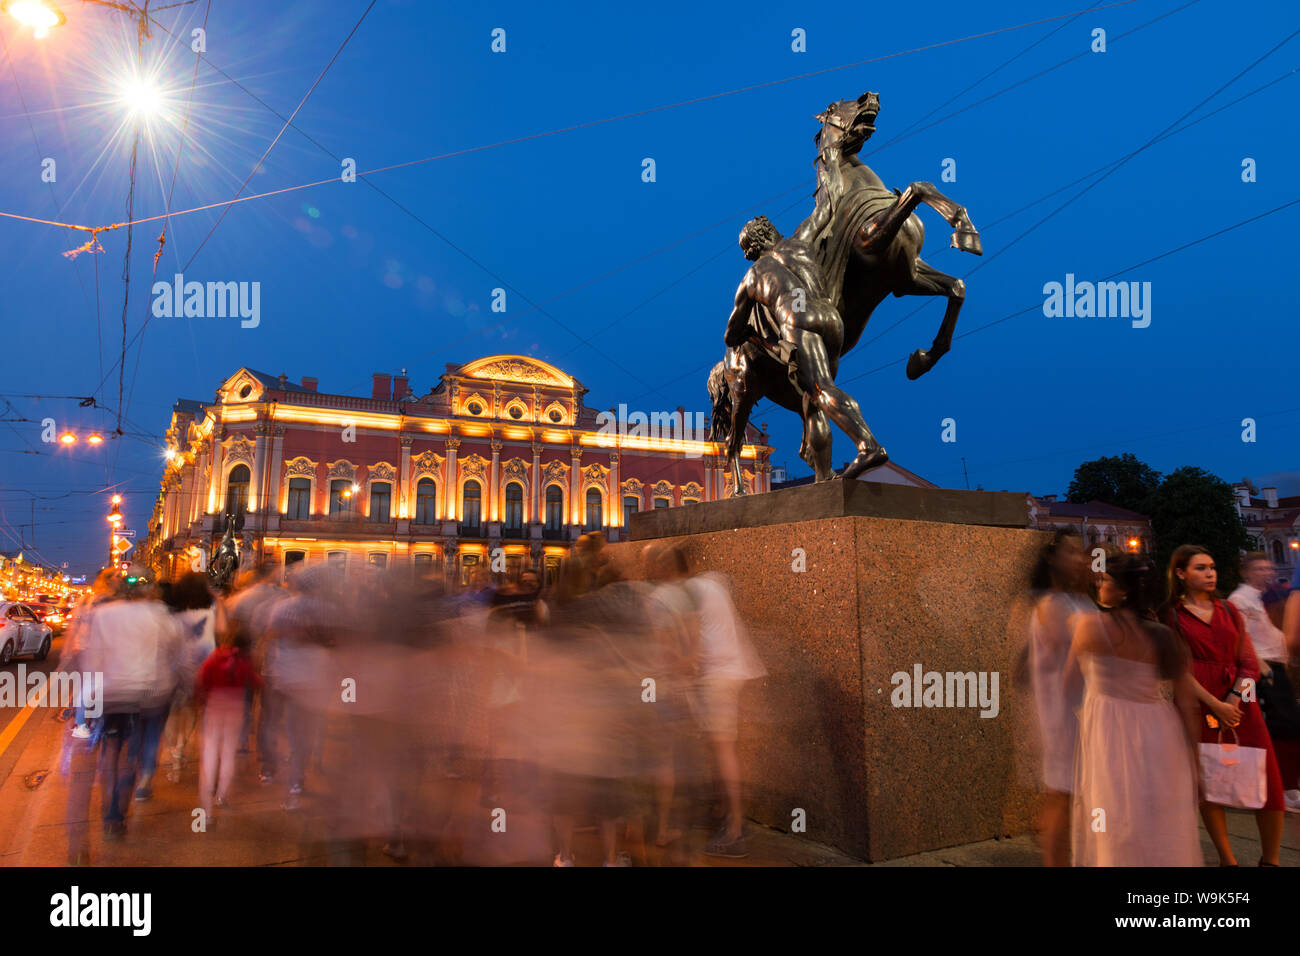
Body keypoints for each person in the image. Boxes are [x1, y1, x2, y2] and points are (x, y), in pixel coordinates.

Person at [1067, 553, 1202, 865]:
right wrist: (1195, 761)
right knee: (1157, 814)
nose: (1099, 584)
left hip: (1109, 731)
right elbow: (1186, 703)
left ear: (1123, 591)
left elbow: (1068, 683)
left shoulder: (1087, 626)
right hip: (1159, 730)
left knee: (1112, 813)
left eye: (1105, 580)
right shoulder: (1163, 636)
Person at [1162, 545, 1285, 866]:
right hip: (1198, 704)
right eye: (1201, 568)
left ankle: (1270, 860)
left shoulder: (1229, 610)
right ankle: (1227, 860)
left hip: (1242, 703)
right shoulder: (1172, 615)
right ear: (1180, 573)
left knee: (1268, 781)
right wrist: (1215, 704)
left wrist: (1233, 699)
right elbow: (1178, 668)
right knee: (1210, 782)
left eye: (1212, 567)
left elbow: (1249, 663)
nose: (1210, 573)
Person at [78, 567, 181, 838]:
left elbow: (92, 659)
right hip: (144, 694)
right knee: (129, 757)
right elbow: (174, 648)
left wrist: (89, 699)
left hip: (110, 694)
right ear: (151, 590)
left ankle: (109, 814)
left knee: (111, 752)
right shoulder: (158, 615)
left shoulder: (103, 614)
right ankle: (117, 816)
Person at [685, 566, 765, 858]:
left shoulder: (693, 590)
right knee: (721, 749)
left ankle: (735, 830)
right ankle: (725, 813)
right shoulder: (712, 583)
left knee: (723, 751)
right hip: (733, 672)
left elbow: (692, 645)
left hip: (719, 676)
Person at [1024, 530, 1094, 866]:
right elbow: (1079, 657)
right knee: (1061, 796)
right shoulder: (1052, 606)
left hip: (1082, 710)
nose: (1080, 559)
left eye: (1081, 552)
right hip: (1064, 713)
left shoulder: (1078, 601)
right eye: (1071, 552)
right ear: (1052, 559)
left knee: (1071, 796)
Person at [1230, 553, 1300, 810]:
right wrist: (1261, 668)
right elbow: (1242, 637)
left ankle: (1286, 783)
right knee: (1277, 725)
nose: (1266, 573)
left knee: (1287, 723)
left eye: (1269, 568)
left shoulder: (1268, 598)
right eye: (1259, 568)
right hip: (1260, 671)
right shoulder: (1240, 600)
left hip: (1278, 666)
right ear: (1246, 572)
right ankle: (1283, 787)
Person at [156, 572, 216, 791]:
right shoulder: (211, 611)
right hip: (202, 667)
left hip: (177, 667)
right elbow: (221, 635)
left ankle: (174, 753)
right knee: (191, 711)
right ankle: (183, 746)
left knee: (173, 713)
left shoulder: (173, 614)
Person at [195, 630, 262, 822]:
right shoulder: (245, 662)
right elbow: (256, 683)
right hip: (235, 709)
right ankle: (222, 795)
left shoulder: (214, 657)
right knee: (227, 755)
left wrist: (200, 700)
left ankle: (206, 812)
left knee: (209, 756)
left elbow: (201, 681)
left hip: (214, 708)